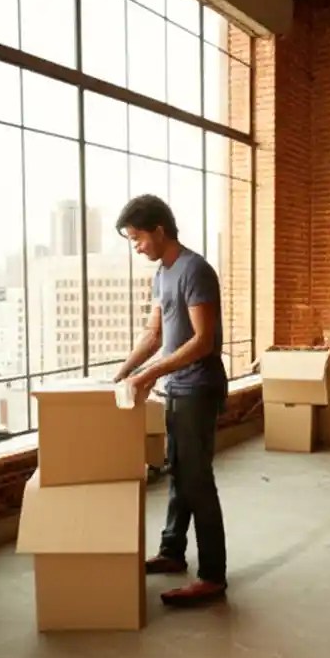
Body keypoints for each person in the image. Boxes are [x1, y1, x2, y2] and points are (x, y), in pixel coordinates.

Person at [113, 194, 229, 608]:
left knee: (197, 481)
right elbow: (154, 334)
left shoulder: (195, 270)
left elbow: (203, 341)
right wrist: (124, 372)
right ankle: (172, 551)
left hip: (199, 388)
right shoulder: (161, 275)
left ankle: (213, 575)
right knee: (178, 471)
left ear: (159, 230)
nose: (137, 246)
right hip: (177, 388)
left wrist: (150, 375)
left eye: (138, 238)